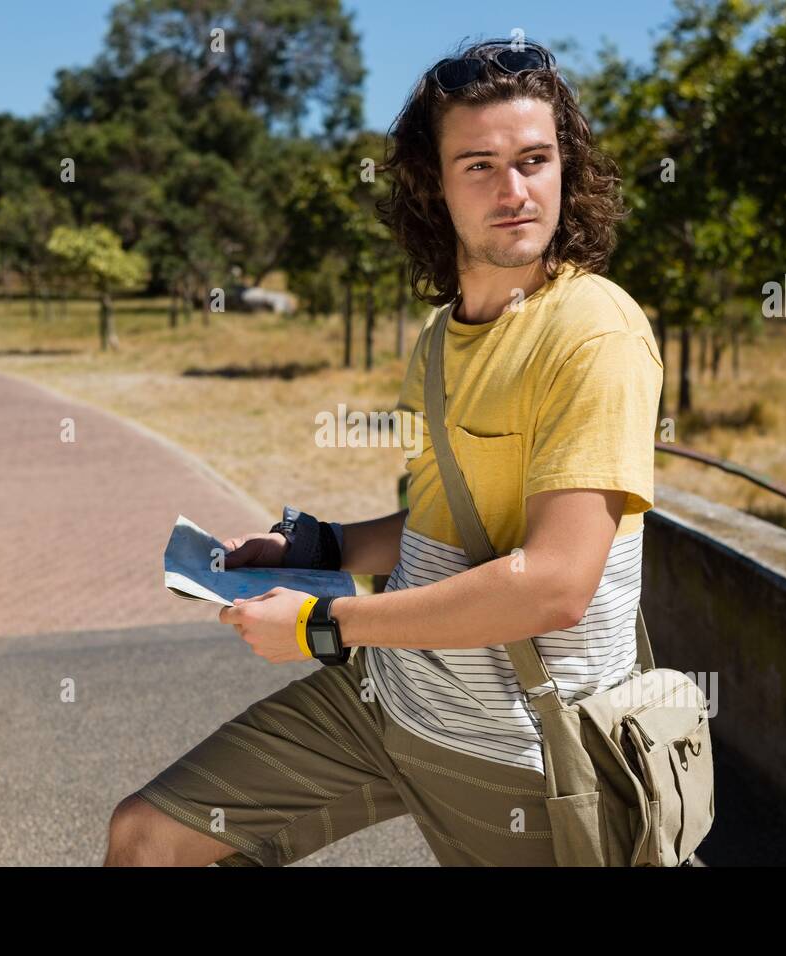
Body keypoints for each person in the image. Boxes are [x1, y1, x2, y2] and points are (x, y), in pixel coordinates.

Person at [104, 35, 663, 867]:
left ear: (566, 169)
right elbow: (453, 524)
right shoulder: (443, 339)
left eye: (534, 159)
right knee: (149, 838)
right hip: (386, 700)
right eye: (478, 164)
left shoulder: (595, 333)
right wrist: (323, 547)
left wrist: (324, 625)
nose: (513, 191)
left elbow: (553, 585)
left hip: (514, 752)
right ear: (433, 190)